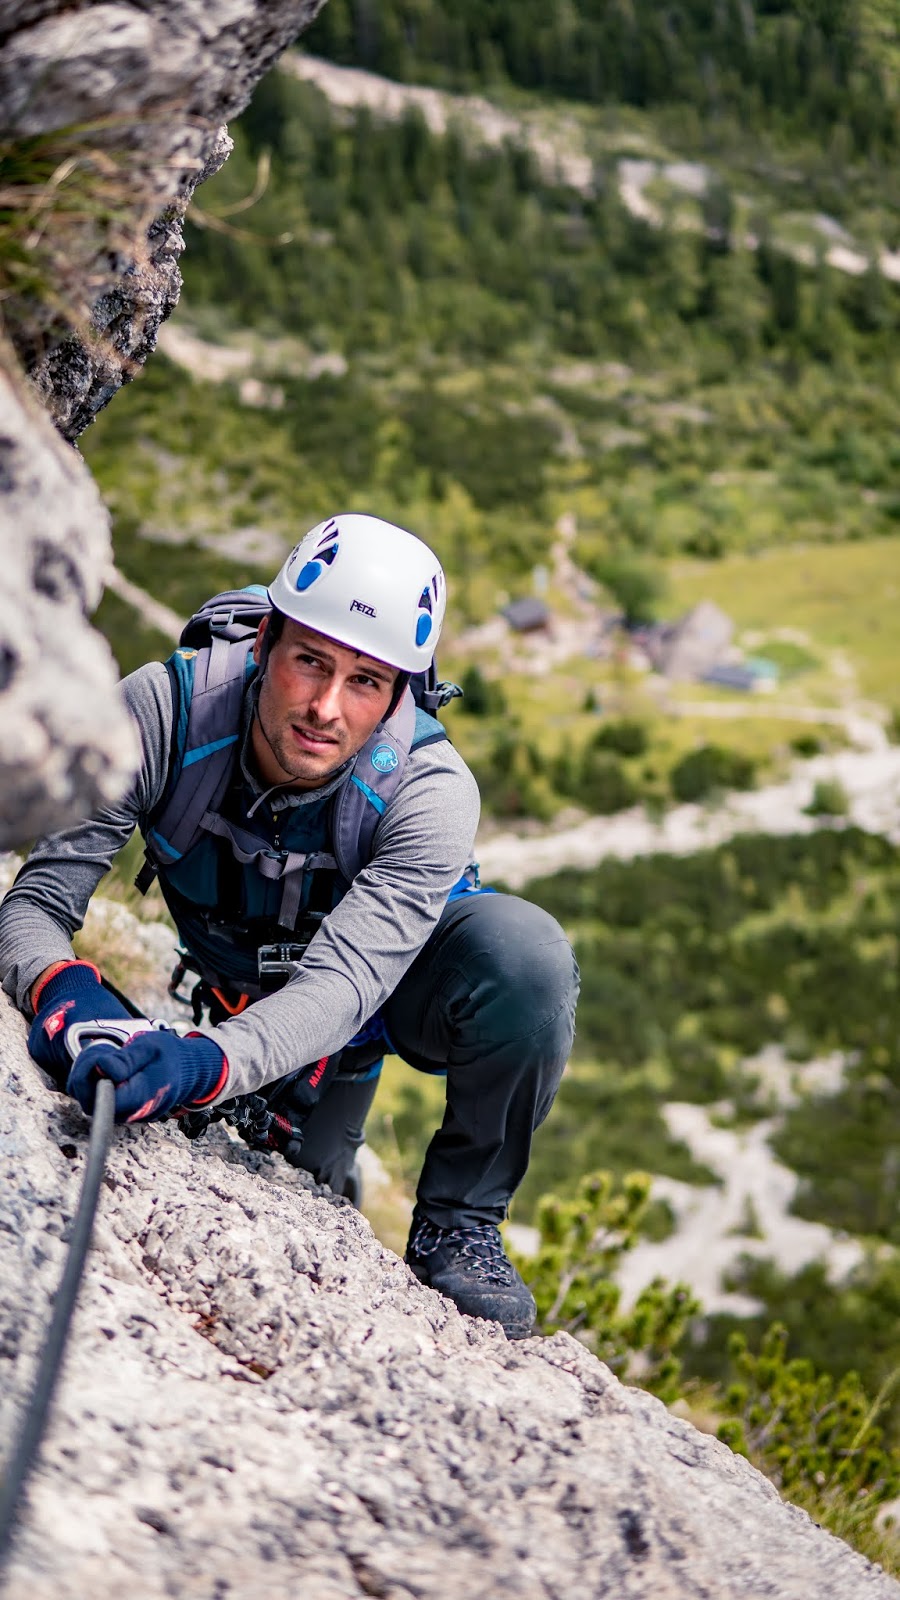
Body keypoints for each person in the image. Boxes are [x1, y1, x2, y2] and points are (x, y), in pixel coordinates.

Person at [0, 513, 578, 1339]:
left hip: (371, 1004)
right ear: (267, 640)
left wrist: (207, 1063)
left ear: (400, 696)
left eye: (366, 682)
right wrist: (63, 986)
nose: (325, 709)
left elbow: (344, 986)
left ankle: (460, 1223)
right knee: (294, 1167)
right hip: (246, 988)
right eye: (310, 661)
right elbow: (36, 904)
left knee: (526, 960)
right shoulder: (162, 714)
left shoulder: (429, 792)